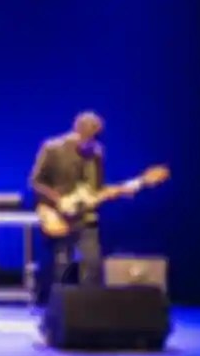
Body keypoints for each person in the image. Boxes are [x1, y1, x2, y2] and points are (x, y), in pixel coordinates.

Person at [30, 111, 134, 289]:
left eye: (94, 136)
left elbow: (96, 188)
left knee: (92, 264)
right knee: (61, 266)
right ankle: (57, 307)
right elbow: (35, 182)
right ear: (77, 130)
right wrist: (58, 200)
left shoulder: (96, 153)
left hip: (85, 217)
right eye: (87, 135)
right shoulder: (53, 148)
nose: (90, 140)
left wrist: (119, 191)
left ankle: (89, 308)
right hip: (58, 215)